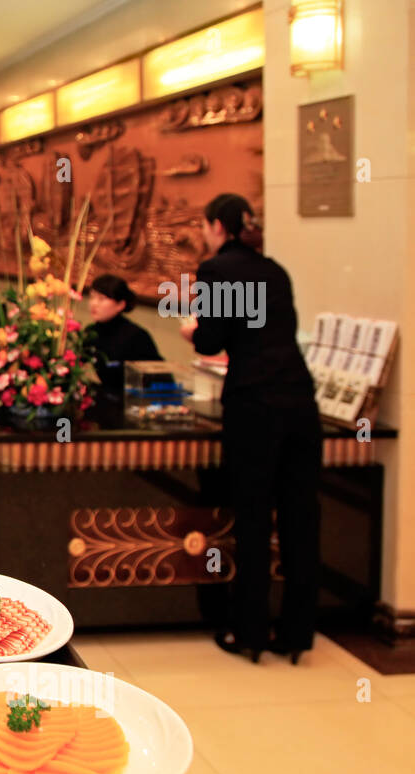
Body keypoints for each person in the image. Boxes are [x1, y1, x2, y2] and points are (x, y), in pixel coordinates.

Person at [179, 193, 320, 665]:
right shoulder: (275, 270)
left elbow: (211, 339)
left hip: (254, 405)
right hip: (300, 399)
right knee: (301, 517)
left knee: (255, 518)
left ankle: (250, 631)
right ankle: (297, 633)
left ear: (217, 225)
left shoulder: (216, 270)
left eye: (205, 225)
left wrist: (192, 330)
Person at [85, 273, 161, 399]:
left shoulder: (136, 336)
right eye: (92, 297)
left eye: (101, 299)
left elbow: (156, 377)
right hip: (104, 397)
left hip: (134, 400)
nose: (94, 303)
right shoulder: (90, 332)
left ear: (120, 305)